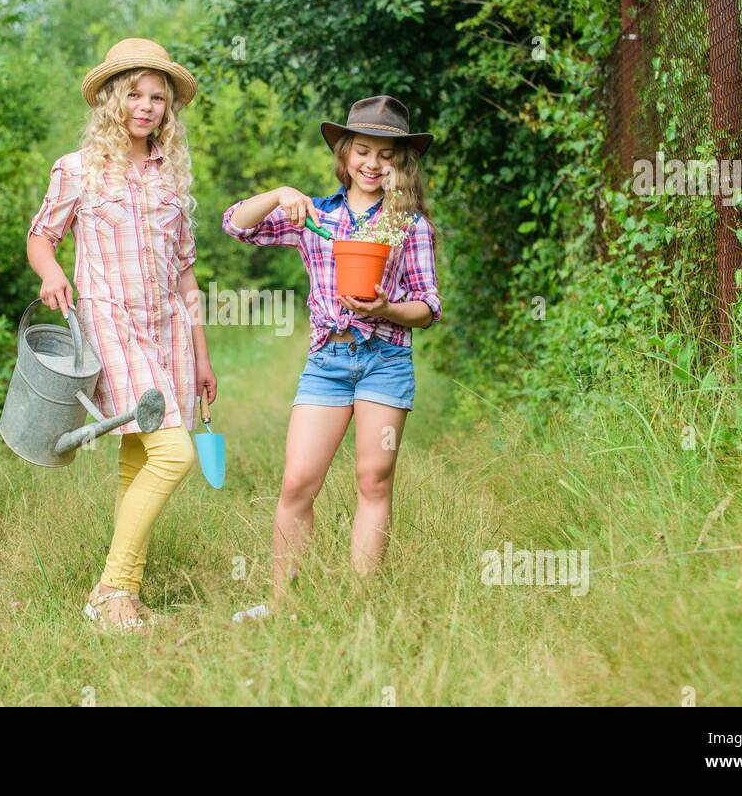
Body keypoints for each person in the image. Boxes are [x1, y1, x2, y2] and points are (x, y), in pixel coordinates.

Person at [221, 95, 441, 617]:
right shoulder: (314, 216)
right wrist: (278, 194)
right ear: (344, 155)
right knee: (298, 481)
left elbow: (429, 307)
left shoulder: (407, 226)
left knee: (373, 479)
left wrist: (387, 308)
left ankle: (360, 606)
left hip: (384, 359)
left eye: (386, 155)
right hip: (328, 362)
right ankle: (281, 603)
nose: (372, 164)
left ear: (401, 164)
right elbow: (236, 224)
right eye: (362, 150)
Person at [26, 38, 217, 632]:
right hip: (110, 323)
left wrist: (203, 358)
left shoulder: (172, 179)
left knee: (139, 455)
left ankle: (123, 597)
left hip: (168, 331)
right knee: (173, 453)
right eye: (135, 93)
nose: (147, 106)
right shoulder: (77, 170)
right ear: (113, 99)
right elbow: (41, 236)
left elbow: (186, 274)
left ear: (169, 109)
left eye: (158, 98)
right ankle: (110, 589)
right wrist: (52, 271)